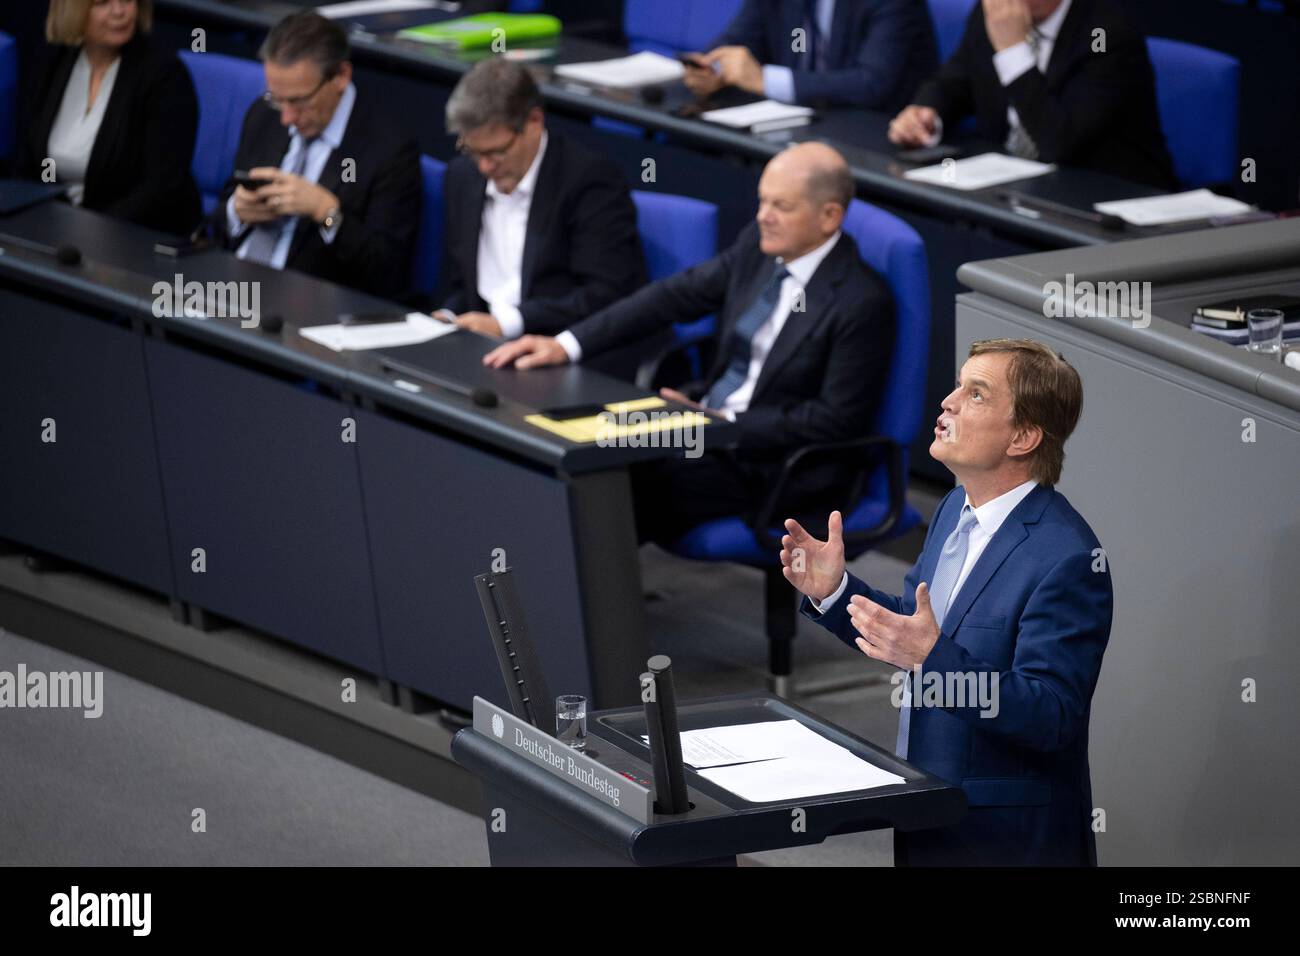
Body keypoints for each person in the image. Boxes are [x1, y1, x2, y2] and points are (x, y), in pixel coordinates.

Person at [781, 338, 1113, 865]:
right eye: (958, 385)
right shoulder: (956, 505)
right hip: (926, 811)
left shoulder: (1066, 557)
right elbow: (914, 628)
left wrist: (932, 659)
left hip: (1002, 841)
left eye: (976, 395)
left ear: (1023, 436)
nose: (948, 402)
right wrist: (837, 592)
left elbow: (1052, 714)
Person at [483, 142, 895, 545]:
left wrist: (722, 424)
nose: (762, 217)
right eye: (762, 201)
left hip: (773, 464)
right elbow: (672, 297)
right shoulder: (759, 247)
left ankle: (582, 602)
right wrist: (567, 344)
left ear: (829, 217)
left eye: (780, 207)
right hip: (703, 428)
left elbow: (835, 419)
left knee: (617, 485)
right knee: (583, 446)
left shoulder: (861, 301)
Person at [435, 58, 646, 340]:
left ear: (534, 122)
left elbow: (603, 295)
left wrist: (507, 323)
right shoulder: (462, 176)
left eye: (496, 152)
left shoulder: (590, 181)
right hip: (481, 343)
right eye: (473, 151)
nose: (484, 167)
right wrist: (449, 316)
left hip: (557, 343)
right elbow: (462, 283)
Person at [216, 11, 420, 299]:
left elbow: (387, 271)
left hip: (307, 302)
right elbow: (223, 208)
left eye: (299, 101)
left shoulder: (389, 149)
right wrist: (237, 210)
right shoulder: (264, 115)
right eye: (278, 99)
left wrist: (326, 213)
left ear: (340, 76)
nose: (286, 117)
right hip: (232, 285)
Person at [888, 0, 1177, 189]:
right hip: (1018, 188)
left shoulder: (1105, 34)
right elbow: (955, 78)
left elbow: (1060, 141)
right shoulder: (995, 11)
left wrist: (1013, 51)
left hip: (1104, 194)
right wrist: (926, 113)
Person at [16, 0, 201, 234]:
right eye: (102, 3)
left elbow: (161, 188)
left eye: (127, 0)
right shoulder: (52, 58)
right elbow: (27, 161)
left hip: (130, 235)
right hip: (52, 227)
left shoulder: (165, 74)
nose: (119, 12)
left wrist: (87, 230)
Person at [683, 0, 937, 112]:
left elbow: (871, 83)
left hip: (868, 130)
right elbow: (739, 39)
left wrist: (764, 80)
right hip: (797, 122)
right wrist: (711, 68)